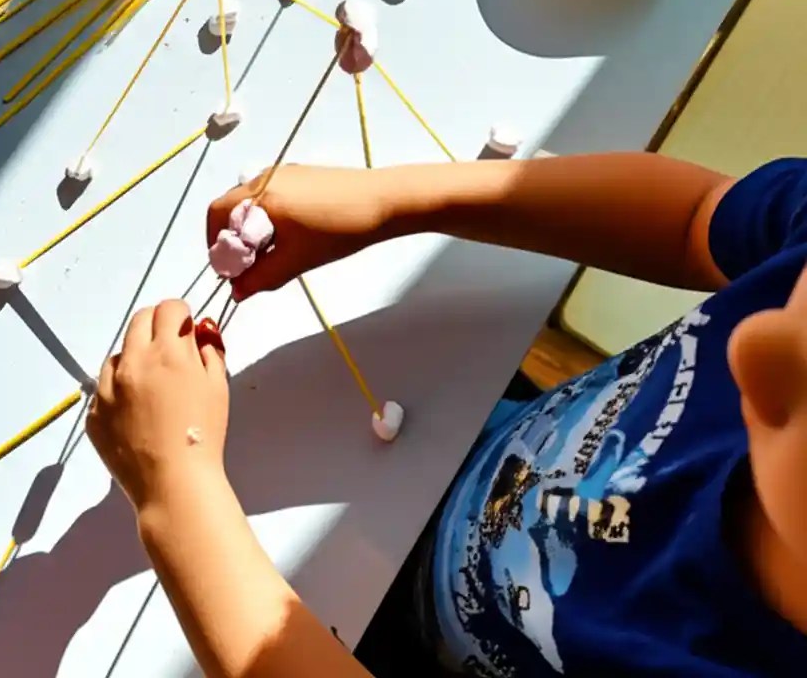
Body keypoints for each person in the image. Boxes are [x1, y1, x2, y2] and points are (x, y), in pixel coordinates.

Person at [83, 152, 807, 677]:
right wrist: (396, 200)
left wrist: (173, 490)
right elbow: (694, 217)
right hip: (487, 450)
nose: (754, 342)